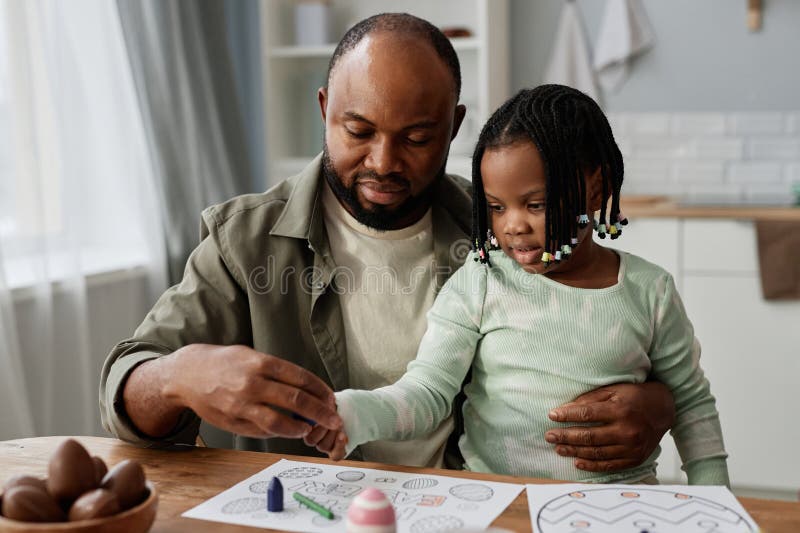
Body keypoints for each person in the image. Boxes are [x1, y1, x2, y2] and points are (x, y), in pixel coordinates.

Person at [100, 13, 675, 472]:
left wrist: (659, 402)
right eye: (359, 131)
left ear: (454, 127)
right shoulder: (244, 241)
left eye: (417, 138)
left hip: (465, 502)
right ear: (325, 110)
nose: (383, 162)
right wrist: (178, 377)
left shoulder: (499, 226)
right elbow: (124, 386)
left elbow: (601, 331)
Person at [319, 85, 729, 485]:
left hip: (620, 501)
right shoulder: (482, 280)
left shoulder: (649, 290)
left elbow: (691, 403)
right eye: (496, 207)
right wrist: (354, 413)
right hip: (497, 498)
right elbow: (427, 392)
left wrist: (716, 501)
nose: (513, 225)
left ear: (596, 189)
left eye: (536, 204)